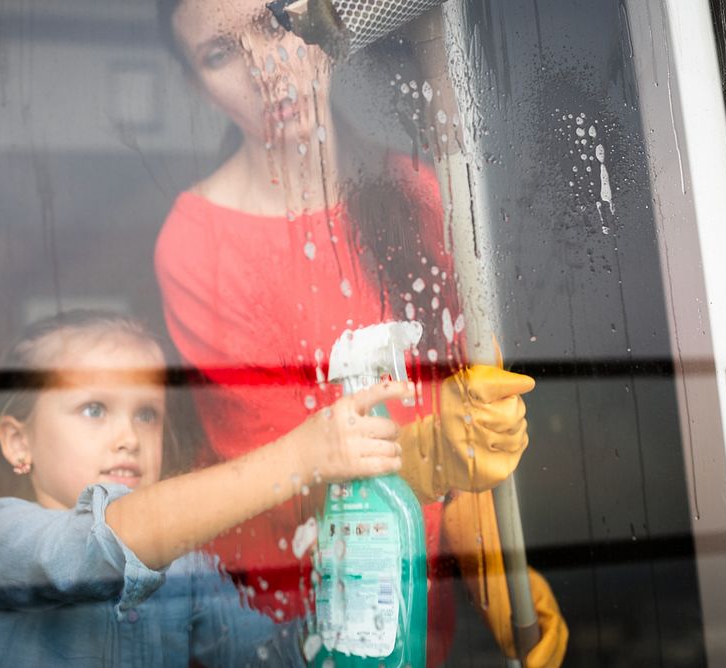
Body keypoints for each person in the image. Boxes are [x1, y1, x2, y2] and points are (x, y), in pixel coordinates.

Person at [153, 1, 567, 665]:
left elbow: (460, 426)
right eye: (220, 53)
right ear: (196, 84)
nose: (264, 69)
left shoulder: (415, 190)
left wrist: (500, 569)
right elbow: (288, 488)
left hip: (409, 614)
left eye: (273, 22)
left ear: (327, 21)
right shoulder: (200, 245)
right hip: (286, 628)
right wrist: (431, 454)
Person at [0, 309, 413, 667]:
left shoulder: (184, 568)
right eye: (94, 409)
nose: (128, 436)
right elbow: (112, 540)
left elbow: (258, 656)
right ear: (17, 441)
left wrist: (342, 621)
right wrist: (299, 459)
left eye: (146, 415)